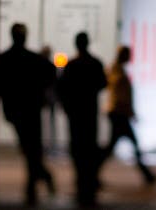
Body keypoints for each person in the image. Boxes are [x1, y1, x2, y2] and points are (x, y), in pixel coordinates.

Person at [0, 23, 56, 205]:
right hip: (32, 109)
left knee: (28, 148)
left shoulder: (4, 59)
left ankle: (37, 181)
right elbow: (50, 75)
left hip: (15, 110)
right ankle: (40, 178)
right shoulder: (34, 59)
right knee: (32, 148)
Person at [57, 32, 107, 206]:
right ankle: (89, 182)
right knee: (89, 149)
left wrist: (67, 107)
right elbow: (102, 84)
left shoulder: (72, 65)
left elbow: (62, 89)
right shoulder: (95, 63)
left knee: (78, 150)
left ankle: (81, 182)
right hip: (89, 114)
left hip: (76, 115)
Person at [100, 45, 156, 184]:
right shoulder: (116, 71)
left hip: (119, 113)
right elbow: (121, 95)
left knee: (114, 146)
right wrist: (129, 112)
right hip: (119, 113)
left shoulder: (116, 70)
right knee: (125, 145)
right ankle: (146, 174)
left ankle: (147, 174)